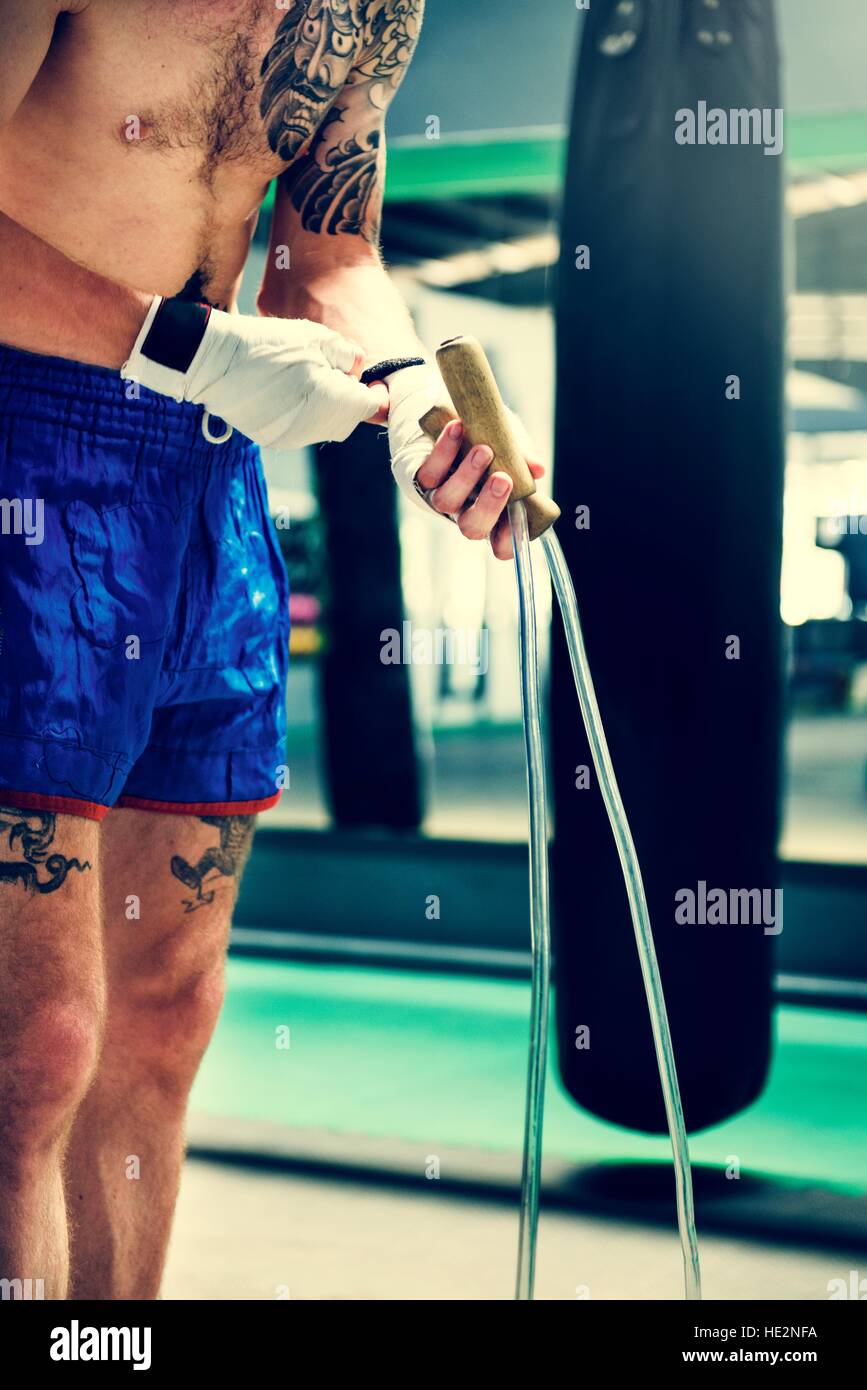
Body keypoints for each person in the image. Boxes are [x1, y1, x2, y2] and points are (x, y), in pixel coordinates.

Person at [0, 0, 543, 1300]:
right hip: (28, 441)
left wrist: (425, 408)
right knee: (34, 1040)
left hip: (205, 472)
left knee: (164, 1021)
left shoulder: (374, 7)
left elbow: (327, 254)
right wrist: (176, 343)